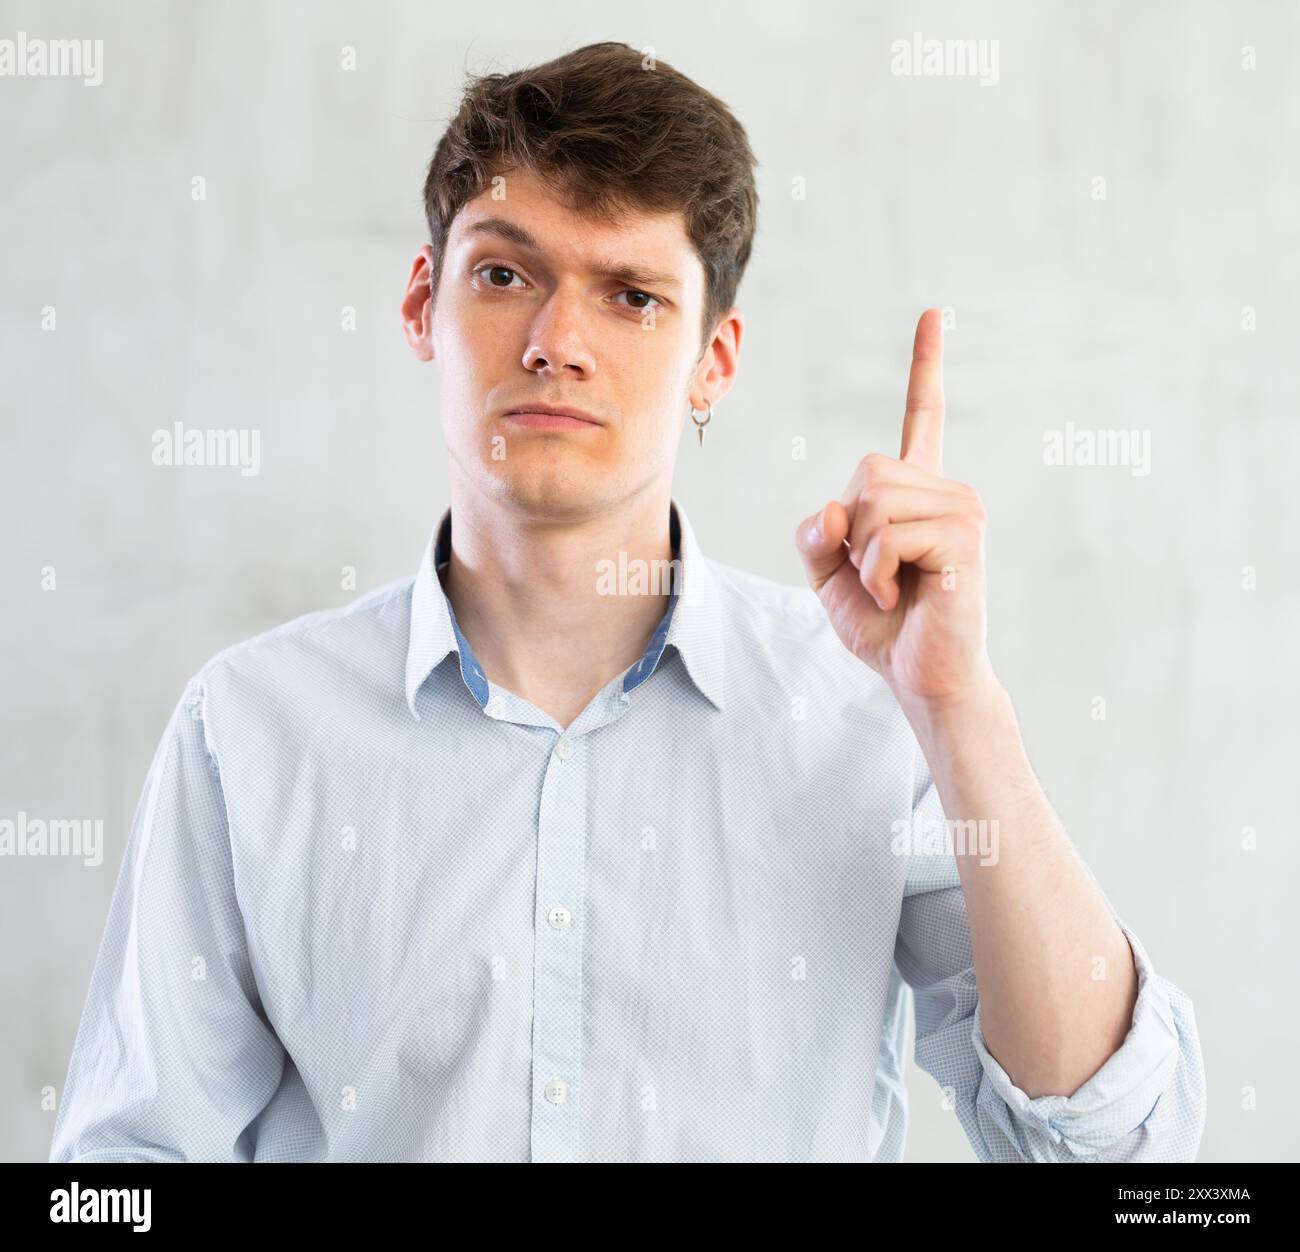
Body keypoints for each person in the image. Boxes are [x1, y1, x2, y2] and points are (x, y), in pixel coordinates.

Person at [49, 40, 1205, 1163]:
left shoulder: (865, 720)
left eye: (633, 297)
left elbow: (1119, 1148)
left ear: (716, 359)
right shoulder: (247, 728)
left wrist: (959, 708)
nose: (557, 344)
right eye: (506, 274)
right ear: (421, 303)